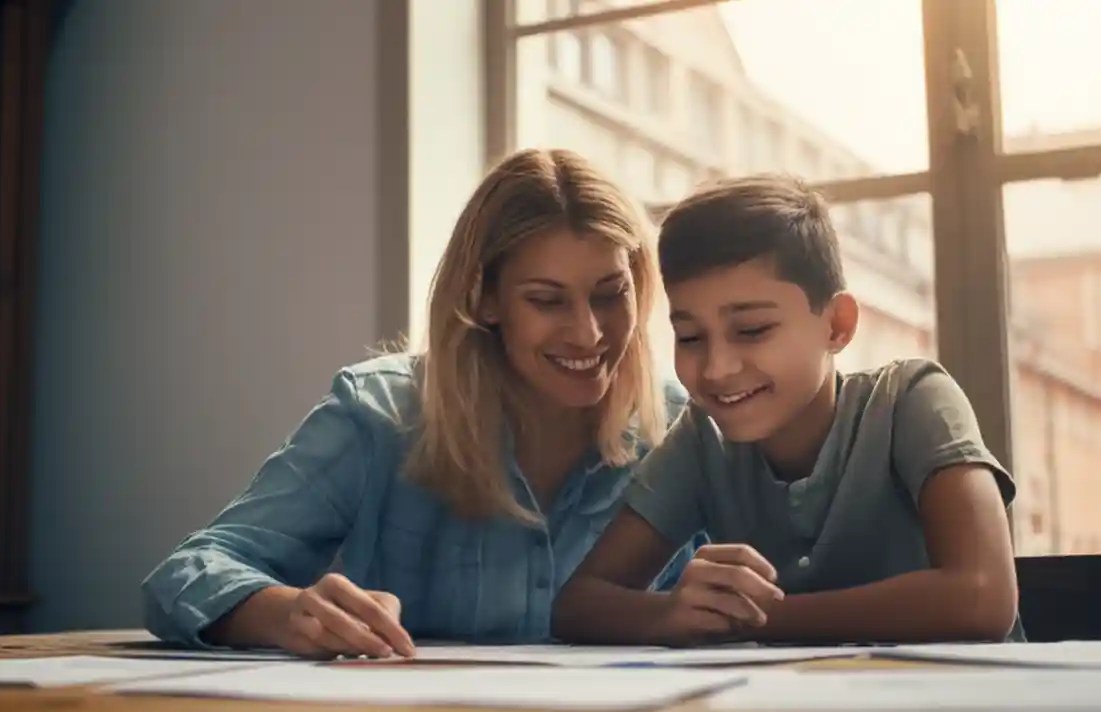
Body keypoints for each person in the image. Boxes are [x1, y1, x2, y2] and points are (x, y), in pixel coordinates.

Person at [142, 148, 690, 658]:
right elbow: (184, 576)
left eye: (609, 293)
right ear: (484, 297)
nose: (588, 332)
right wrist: (287, 614)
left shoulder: (683, 427)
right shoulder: (378, 414)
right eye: (546, 300)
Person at [552, 174, 1021, 646]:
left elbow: (983, 598)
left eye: (752, 330)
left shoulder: (912, 400)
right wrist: (671, 612)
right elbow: (577, 605)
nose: (717, 368)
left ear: (836, 326)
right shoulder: (701, 438)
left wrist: (753, 619)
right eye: (691, 337)